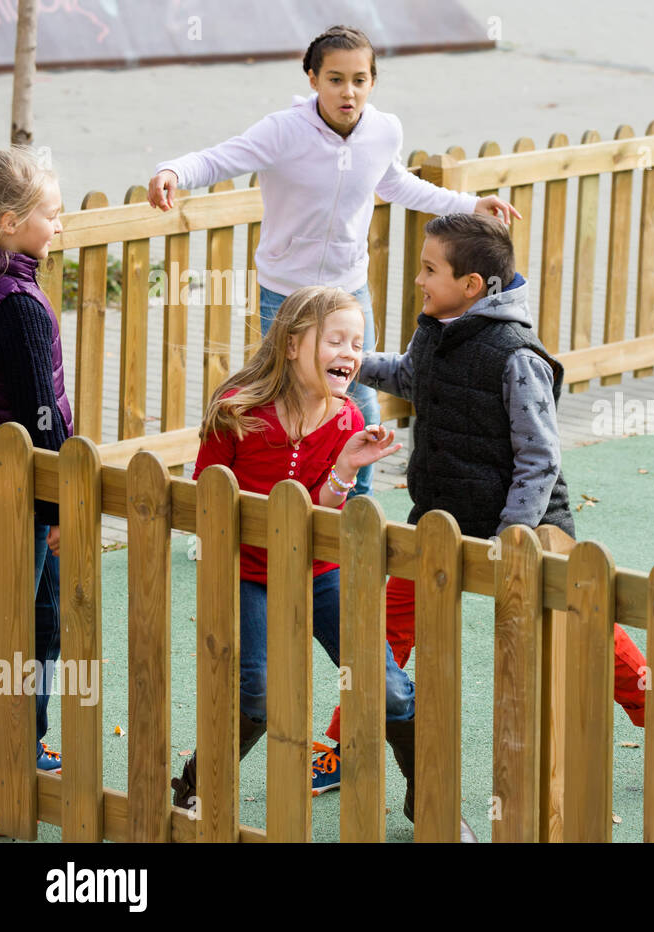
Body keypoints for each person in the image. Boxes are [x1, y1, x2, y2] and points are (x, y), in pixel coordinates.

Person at [307, 214, 654, 797]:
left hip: (528, 528)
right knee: (384, 634)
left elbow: (540, 458)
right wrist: (358, 365)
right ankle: (343, 743)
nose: (418, 279)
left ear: (472, 285)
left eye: (430, 269)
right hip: (438, 521)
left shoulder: (516, 356)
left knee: (586, 629)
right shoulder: (436, 327)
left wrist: (513, 534)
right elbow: (415, 377)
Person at [146, 24, 519, 499]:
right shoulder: (283, 130)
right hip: (286, 293)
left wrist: (468, 205)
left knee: (358, 397)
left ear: (372, 82)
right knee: (277, 399)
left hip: (348, 291)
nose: (348, 91)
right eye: (336, 79)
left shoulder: (384, 129)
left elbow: (395, 184)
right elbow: (223, 158)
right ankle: (256, 503)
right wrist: (172, 170)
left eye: (360, 79)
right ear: (312, 79)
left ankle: (354, 506)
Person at [173, 285, 476, 842]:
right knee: (257, 695)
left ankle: (429, 797)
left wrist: (344, 466)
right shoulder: (238, 408)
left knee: (386, 688)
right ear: (292, 345)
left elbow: (321, 512)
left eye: (357, 343)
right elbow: (205, 499)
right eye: (335, 339)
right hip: (249, 573)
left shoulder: (345, 418)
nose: (350, 352)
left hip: (319, 571)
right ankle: (196, 782)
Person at [0, 146, 68, 776]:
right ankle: (19, 745)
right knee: (28, 619)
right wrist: (60, 502)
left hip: (13, 486)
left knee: (34, 616)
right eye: (50, 214)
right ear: (8, 223)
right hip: (23, 494)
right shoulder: (18, 305)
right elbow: (39, 417)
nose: (60, 225)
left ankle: (30, 738)